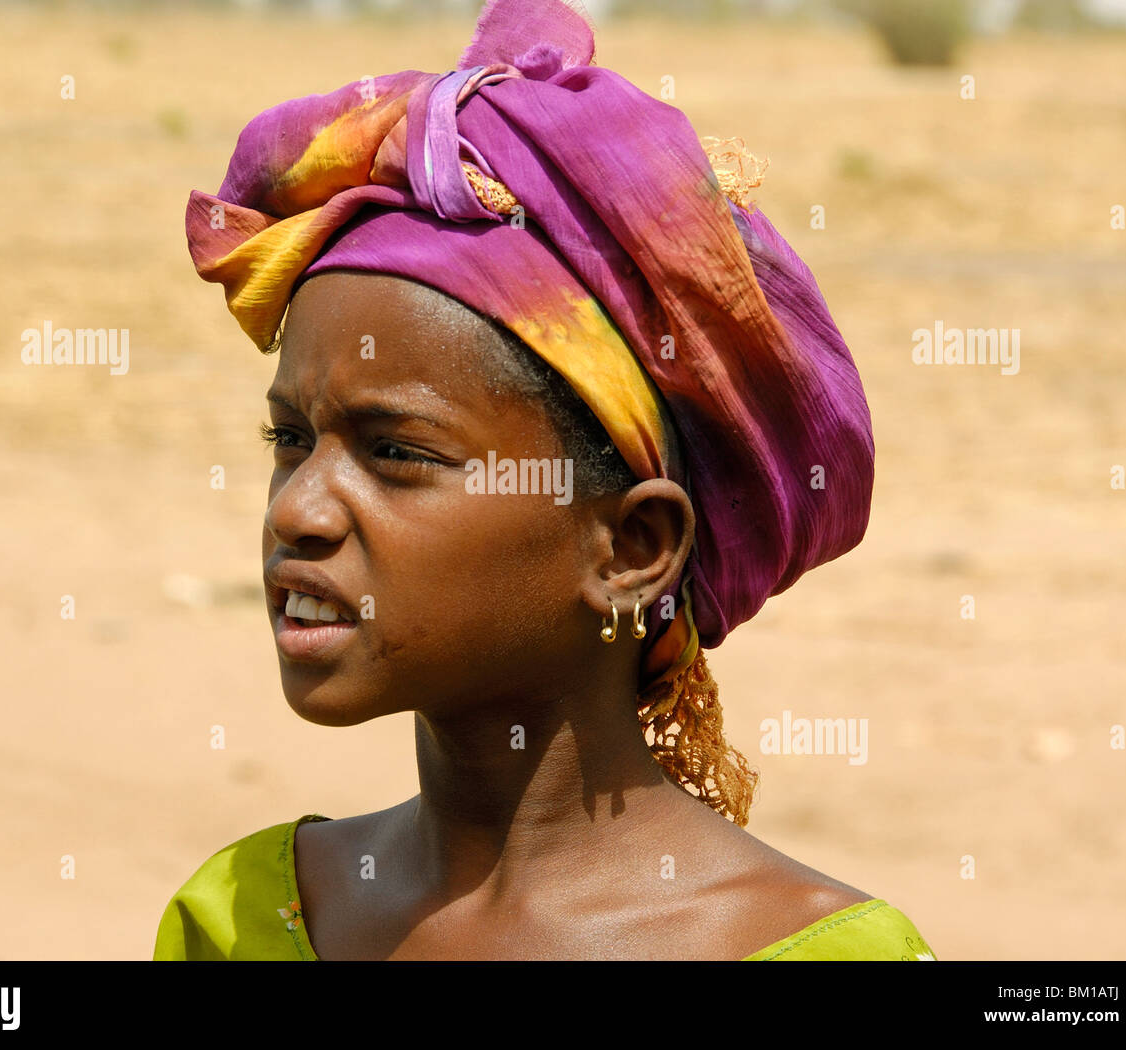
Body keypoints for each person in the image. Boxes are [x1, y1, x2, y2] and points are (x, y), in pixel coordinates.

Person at [153, 0, 936, 961]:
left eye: (396, 452)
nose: (298, 510)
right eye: (289, 438)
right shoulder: (241, 920)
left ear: (633, 548)